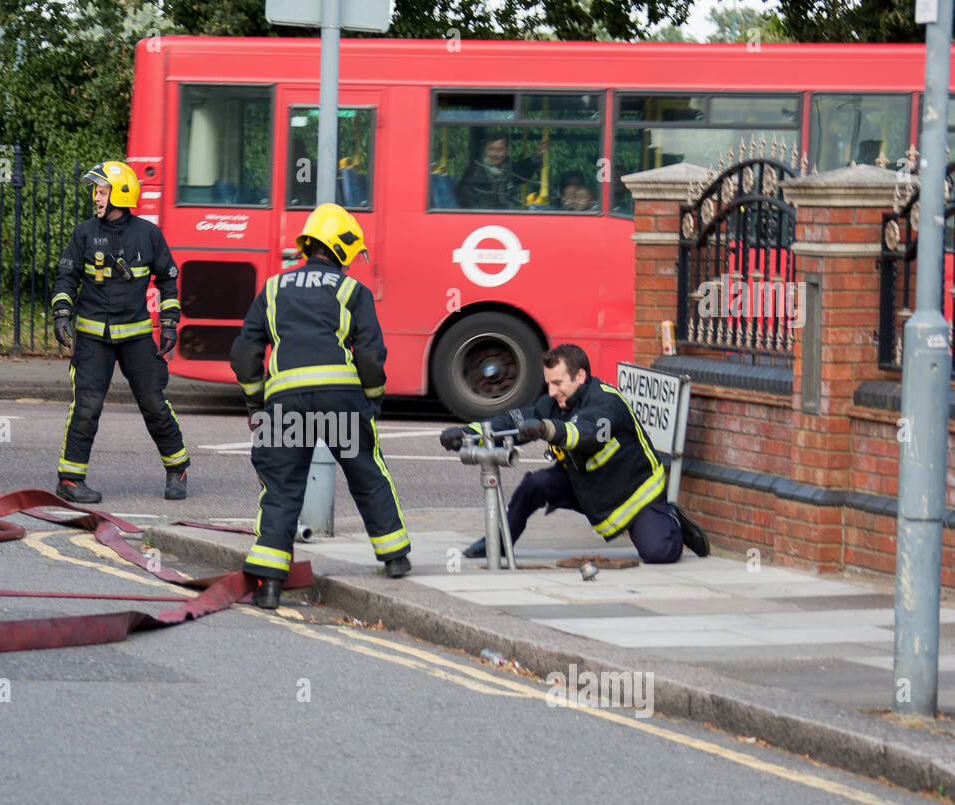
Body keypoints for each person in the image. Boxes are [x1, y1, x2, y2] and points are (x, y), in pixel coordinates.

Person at [230, 203, 411, 609]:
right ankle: (395, 557)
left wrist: (255, 401)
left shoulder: (274, 288)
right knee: (366, 473)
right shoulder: (352, 291)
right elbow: (369, 355)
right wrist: (373, 398)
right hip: (339, 401)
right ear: (343, 248)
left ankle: (270, 585)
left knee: (280, 487)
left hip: (284, 403)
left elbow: (245, 352)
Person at [440, 343, 709, 564]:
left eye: (557, 383)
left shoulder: (606, 402)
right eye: (549, 384)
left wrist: (547, 428)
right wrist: (467, 434)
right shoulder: (555, 402)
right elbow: (513, 420)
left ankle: (671, 519)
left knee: (658, 553)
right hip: (590, 487)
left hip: (634, 494)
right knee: (535, 484)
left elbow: (588, 434)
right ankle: (498, 543)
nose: (551, 391)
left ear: (580, 376)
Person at [50, 161, 188, 503]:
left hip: (137, 337)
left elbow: (168, 279)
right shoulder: (83, 233)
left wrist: (169, 322)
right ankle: (70, 479)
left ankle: (178, 468)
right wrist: (62, 311)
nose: (96, 197)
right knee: (86, 406)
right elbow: (66, 278)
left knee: (154, 404)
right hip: (93, 340)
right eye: (96, 191)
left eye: (101, 191)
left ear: (121, 194)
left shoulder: (148, 234)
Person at [456, 133, 548, 209]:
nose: (495, 154)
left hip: (506, 217)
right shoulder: (474, 171)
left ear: (508, 151)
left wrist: (537, 155)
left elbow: (523, 172)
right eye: (491, 149)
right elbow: (465, 198)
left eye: (500, 150)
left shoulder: (510, 169)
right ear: (485, 151)